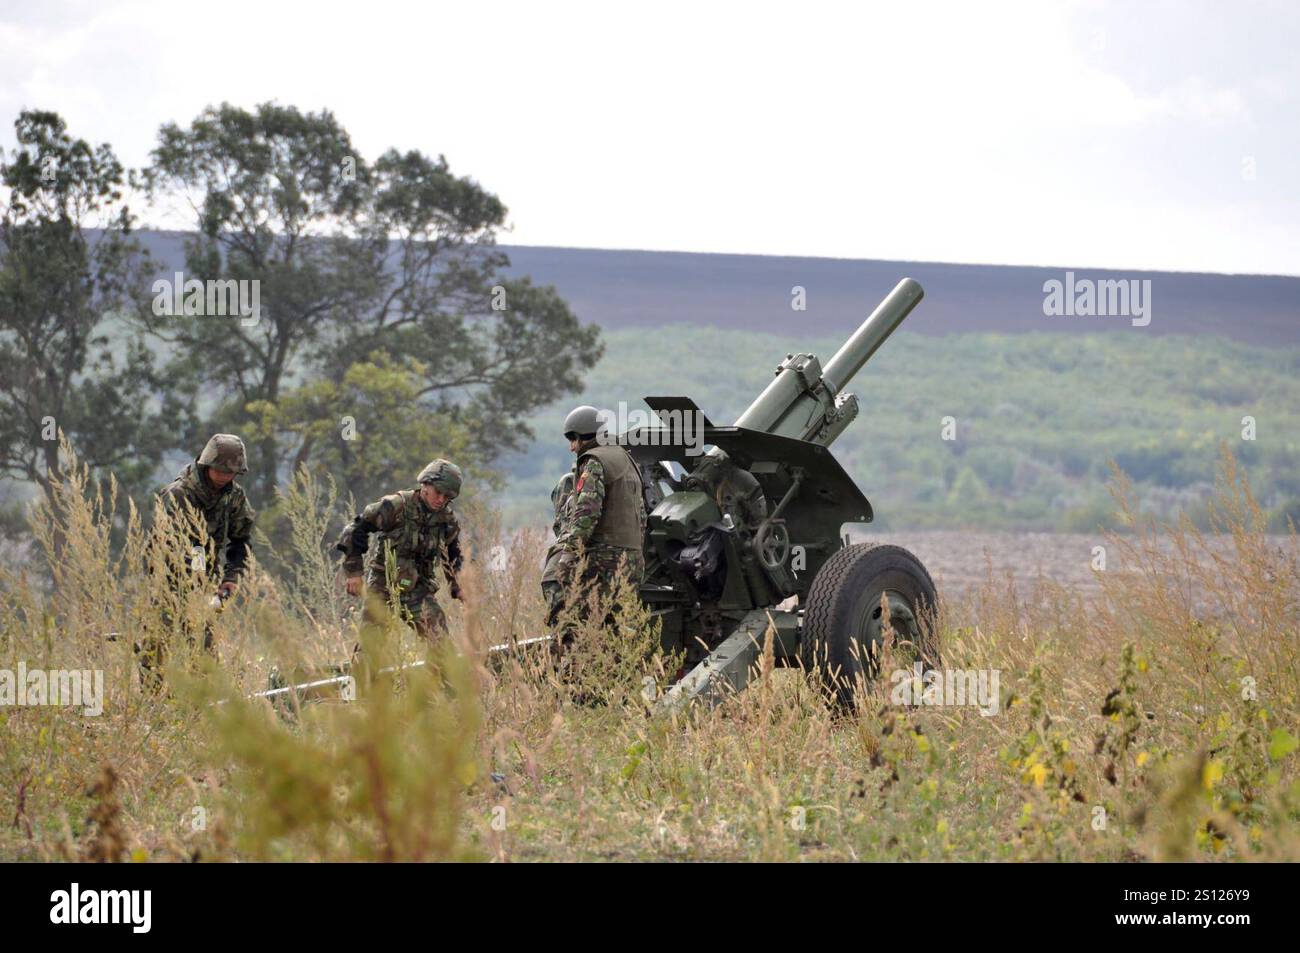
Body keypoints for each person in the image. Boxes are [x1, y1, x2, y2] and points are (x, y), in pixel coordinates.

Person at [141, 434, 256, 684]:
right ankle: (151, 705)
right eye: (220, 471)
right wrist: (190, 587)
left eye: (232, 473)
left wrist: (231, 577)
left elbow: (241, 540)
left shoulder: (234, 496)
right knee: (156, 648)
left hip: (204, 582)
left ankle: (201, 708)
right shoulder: (179, 494)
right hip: (169, 579)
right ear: (207, 465)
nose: (226, 477)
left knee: (204, 653)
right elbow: (170, 547)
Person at [336, 459, 464, 643]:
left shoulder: (446, 520)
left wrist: (459, 586)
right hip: (383, 587)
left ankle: (436, 673)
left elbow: (453, 555)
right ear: (425, 485)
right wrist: (354, 572)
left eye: (447, 497)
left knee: (441, 645)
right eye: (439, 492)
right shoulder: (396, 506)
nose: (441, 500)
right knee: (370, 650)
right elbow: (355, 530)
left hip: (418, 589)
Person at [548, 405, 647, 628]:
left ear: (585, 437)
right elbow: (641, 517)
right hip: (632, 560)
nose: (572, 448)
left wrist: (569, 556)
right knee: (622, 629)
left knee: (581, 624)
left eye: (573, 440)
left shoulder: (595, 461)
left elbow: (586, 515)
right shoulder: (626, 458)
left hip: (604, 559)